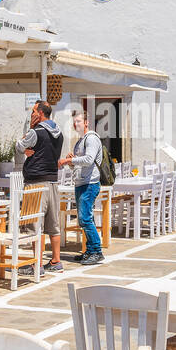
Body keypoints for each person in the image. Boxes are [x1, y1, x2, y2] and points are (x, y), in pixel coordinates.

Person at [16, 100, 65, 272]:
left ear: (40, 113)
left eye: (33, 111)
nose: (31, 114)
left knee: (35, 224)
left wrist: (29, 130)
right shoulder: (59, 133)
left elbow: (19, 145)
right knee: (53, 224)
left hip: (35, 182)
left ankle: (37, 264)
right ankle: (56, 261)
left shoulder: (35, 131)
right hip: (52, 181)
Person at [59, 109, 104, 265]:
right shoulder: (80, 141)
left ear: (86, 122)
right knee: (86, 218)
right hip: (81, 183)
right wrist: (71, 162)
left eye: (78, 121)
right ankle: (90, 250)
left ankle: (97, 251)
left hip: (89, 184)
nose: (75, 124)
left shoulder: (91, 139)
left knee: (85, 219)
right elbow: (78, 165)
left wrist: (68, 161)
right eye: (74, 122)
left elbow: (89, 159)